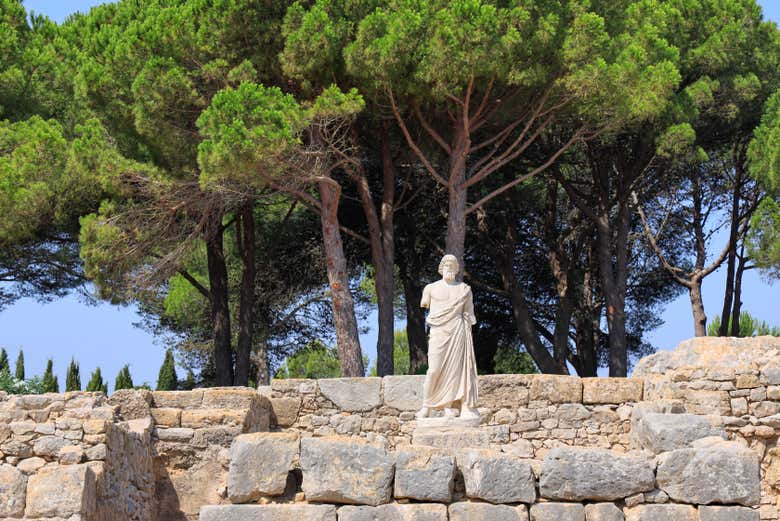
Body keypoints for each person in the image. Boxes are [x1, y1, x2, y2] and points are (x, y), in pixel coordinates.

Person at [415, 254, 479, 420]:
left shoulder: (465, 290)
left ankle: (447, 406)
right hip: (438, 331)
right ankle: (426, 406)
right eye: (446, 265)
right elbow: (424, 304)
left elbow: (470, 316)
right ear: (441, 268)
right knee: (434, 369)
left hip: (457, 331)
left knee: (454, 372)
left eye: (453, 265)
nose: (449, 268)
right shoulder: (430, 288)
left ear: (457, 269)